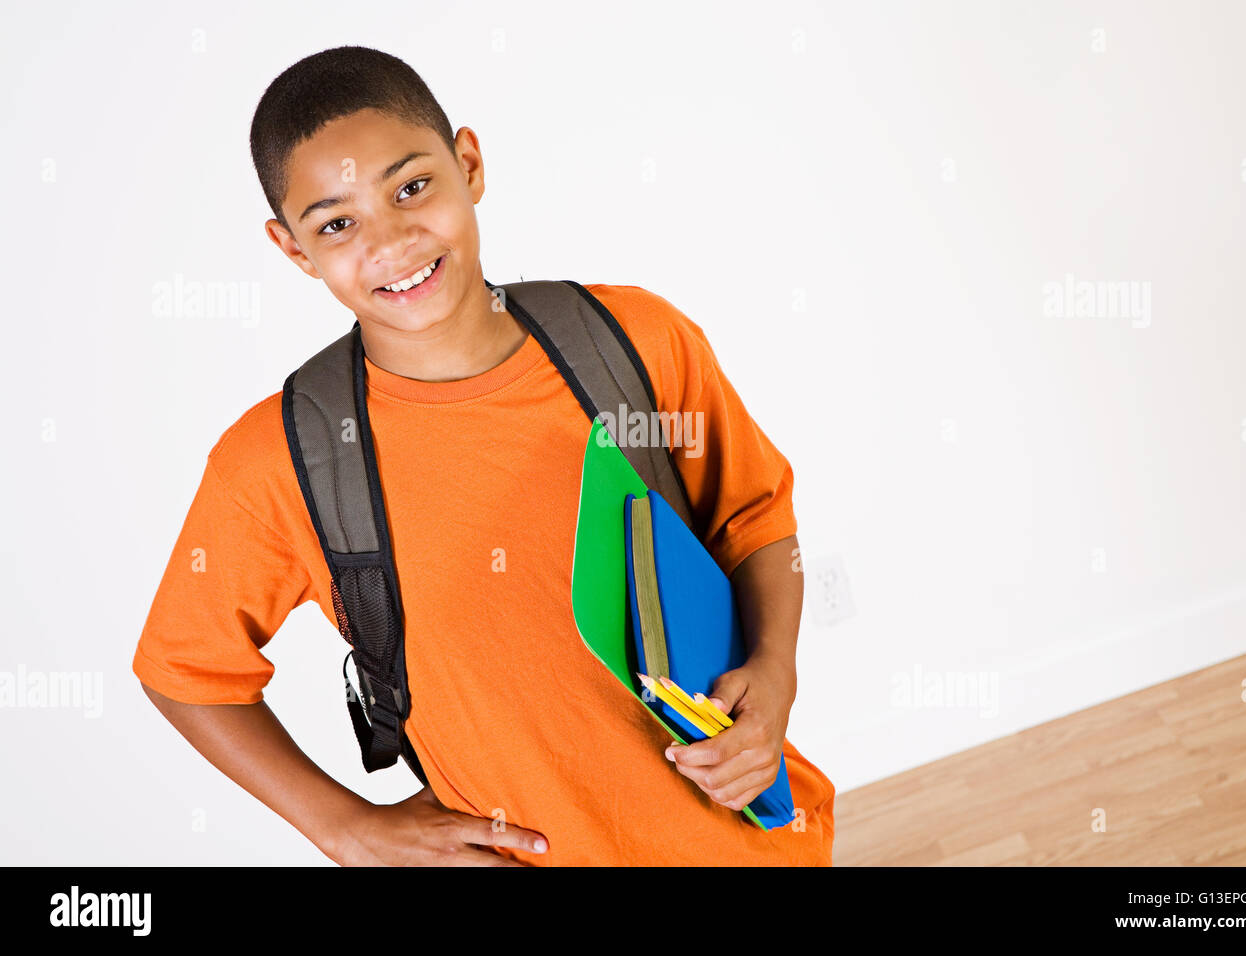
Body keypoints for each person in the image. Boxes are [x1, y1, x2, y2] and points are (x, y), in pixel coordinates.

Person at [132, 45, 835, 866]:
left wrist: (776, 676)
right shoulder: (281, 462)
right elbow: (184, 672)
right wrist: (346, 828)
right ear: (293, 249)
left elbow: (754, 518)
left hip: (749, 844)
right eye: (337, 223)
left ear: (468, 163)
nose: (391, 240)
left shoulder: (638, 344)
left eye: (412, 187)